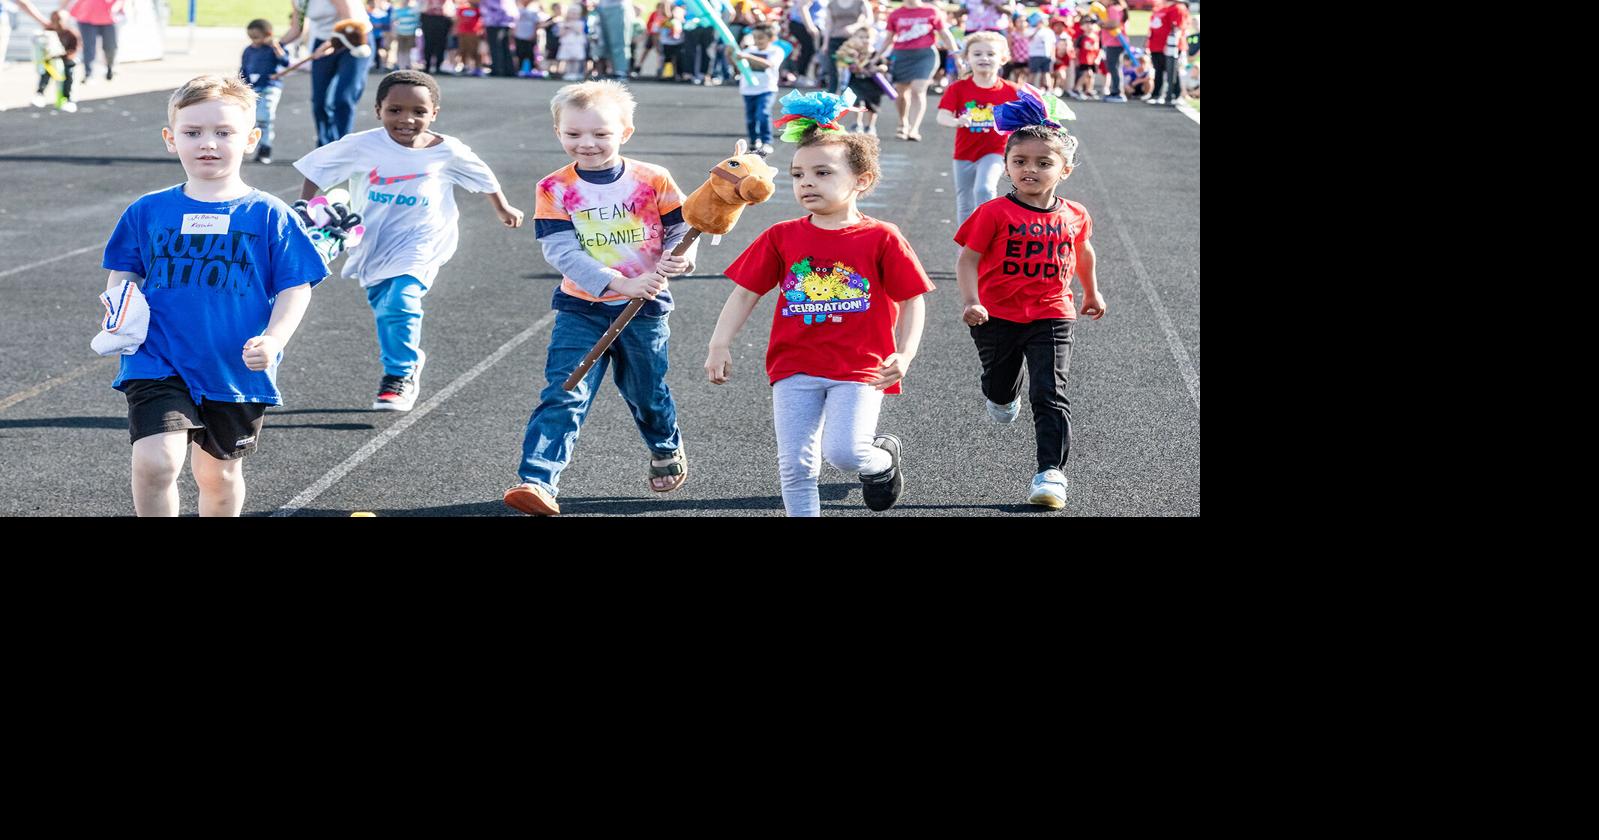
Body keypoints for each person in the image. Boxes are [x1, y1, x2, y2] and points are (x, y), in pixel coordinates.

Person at [100, 75, 327, 516]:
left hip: (233, 365)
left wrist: (275, 340)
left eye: (223, 132)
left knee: (218, 476)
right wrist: (120, 308)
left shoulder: (268, 214)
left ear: (250, 139)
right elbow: (123, 270)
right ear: (171, 139)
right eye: (193, 132)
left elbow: (295, 287)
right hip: (157, 358)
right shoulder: (148, 210)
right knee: (156, 461)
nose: (208, 143)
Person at [704, 95, 934, 517]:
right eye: (798, 174)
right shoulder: (781, 235)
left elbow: (912, 299)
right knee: (795, 466)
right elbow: (745, 293)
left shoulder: (881, 236)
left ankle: (880, 462)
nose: (806, 182)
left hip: (860, 366)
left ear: (861, 180)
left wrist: (906, 352)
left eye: (822, 173)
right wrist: (720, 344)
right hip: (793, 365)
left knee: (846, 455)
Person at [504, 81, 698, 516]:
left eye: (600, 134)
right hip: (582, 308)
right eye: (573, 134)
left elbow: (683, 228)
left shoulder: (653, 178)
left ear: (625, 132)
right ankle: (538, 480)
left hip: (644, 310)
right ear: (558, 132)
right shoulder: (554, 187)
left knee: (645, 390)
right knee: (564, 391)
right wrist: (616, 282)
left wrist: (678, 259)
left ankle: (665, 443)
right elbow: (560, 249)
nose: (587, 144)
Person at [293, 70, 524, 411]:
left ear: (434, 114)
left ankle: (398, 376)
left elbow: (483, 175)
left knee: (402, 301)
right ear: (378, 110)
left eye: (418, 111)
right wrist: (305, 208)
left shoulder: (447, 151)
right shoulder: (362, 144)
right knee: (386, 307)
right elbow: (317, 169)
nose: (406, 119)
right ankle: (408, 359)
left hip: (423, 240)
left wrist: (503, 207)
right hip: (373, 240)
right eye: (395, 110)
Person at [953, 93, 1106, 510]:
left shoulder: (1074, 213)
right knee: (999, 387)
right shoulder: (993, 213)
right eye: (1020, 161)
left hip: (1053, 313)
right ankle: (1003, 396)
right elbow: (968, 258)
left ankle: (1051, 474)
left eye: (1043, 163)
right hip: (996, 315)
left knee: (1051, 393)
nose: (1030, 169)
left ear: (1065, 170)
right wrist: (971, 300)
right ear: (1006, 166)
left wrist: (1091, 291)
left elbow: (1084, 252)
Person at [936, 31, 1019, 225]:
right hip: (964, 153)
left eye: (990, 54)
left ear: (1003, 58)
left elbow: (1027, 118)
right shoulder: (958, 88)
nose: (984, 58)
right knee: (964, 202)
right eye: (977, 54)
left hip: (995, 151)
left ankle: (987, 237)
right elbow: (942, 116)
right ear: (967, 58)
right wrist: (957, 121)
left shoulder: (1012, 90)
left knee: (984, 189)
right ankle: (966, 249)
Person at [281, 0, 375, 146]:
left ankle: (344, 144)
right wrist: (276, 45)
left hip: (354, 39)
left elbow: (350, 22)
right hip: (324, 41)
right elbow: (297, 29)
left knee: (343, 98)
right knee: (319, 102)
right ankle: (325, 145)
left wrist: (329, 44)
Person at [878, 0, 958, 142]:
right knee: (901, 92)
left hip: (925, 55)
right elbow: (888, 38)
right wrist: (876, 56)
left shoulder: (932, 11)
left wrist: (956, 55)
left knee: (918, 89)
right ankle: (903, 122)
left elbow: (944, 34)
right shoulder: (896, 14)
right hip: (901, 55)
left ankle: (914, 128)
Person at [241, 19, 291, 164]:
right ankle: (256, 145)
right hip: (253, 88)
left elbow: (285, 62)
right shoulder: (248, 50)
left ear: (267, 35)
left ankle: (265, 148)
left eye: (256, 37)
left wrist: (276, 47)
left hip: (270, 86)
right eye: (250, 37)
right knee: (252, 118)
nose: (253, 41)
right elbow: (244, 69)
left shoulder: (274, 48)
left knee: (265, 117)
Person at [739, 23, 783, 155]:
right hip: (748, 89)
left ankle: (767, 141)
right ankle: (754, 141)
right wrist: (730, 54)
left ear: (770, 38)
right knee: (751, 118)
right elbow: (737, 63)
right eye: (755, 37)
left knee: (763, 113)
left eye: (761, 38)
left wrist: (748, 57)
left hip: (766, 88)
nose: (757, 41)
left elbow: (769, 64)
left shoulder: (775, 51)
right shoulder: (748, 50)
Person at [834, 25, 886, 134]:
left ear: (873, 39)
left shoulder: (875, 54)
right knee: (857, 103)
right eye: (860, 37)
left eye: (867, 37)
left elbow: (884, 66)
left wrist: (879, 68)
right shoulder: (852, 54)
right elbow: (842, 65)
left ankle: (870, 126)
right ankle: (857, 123)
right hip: (856, 82)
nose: (863, 40)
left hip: (873, 84)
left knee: (872, 106)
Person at [32, 10, 79, 112]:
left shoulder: (71, 33)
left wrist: (62, 55)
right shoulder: (48, 31)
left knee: (68, 74)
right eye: (53, 20)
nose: (56, 22)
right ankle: (40, 93)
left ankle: (67, 98)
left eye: (59, 20)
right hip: (51, 61)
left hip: (65, 60)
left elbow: (74, 50)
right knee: (45, 72)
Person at [820, 0, 868, 94]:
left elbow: (869, 19)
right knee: (833, 70)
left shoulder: (861, 2)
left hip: (853, 42)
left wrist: (854, 26)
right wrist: (825, 43)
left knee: (853, 69)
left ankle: (852, 95)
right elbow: (829, 24)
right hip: (835, 40)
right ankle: (832, 95)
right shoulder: (832, 3)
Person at [68, 0, 119, 85]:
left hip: (108, 18)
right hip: (86, 18)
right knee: (89, 48)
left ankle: (110, 68)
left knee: (110, 47)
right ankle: (89, 74)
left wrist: (116, 8)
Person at [1098, 0, 1129, 101]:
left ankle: (1117, 92)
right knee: (1115, 67)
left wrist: (1101, 24)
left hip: (1114, 43)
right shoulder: (1119, 8)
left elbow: (1115, 24)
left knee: (1114, 67)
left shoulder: (1113, 8)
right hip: (1116, 42)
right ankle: (1116, 91)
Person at [786, 0, 821, 86]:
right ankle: (801, 76)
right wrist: (810, 27)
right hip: (802, 25)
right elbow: (803, 7)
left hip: (815, 26)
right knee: (808, 50)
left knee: (811, 51)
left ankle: (811, 77)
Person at [417, 0, 455, 74]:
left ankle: (438, 66)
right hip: (428, 19)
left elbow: (449, 9)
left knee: (441, 45)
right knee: (428, 44)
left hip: (442, 19)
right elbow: (422, 8)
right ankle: (427, 66)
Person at [481, 0, 516, 76]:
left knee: (496, 47)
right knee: (504, 47)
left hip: (495, 23)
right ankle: (508, 70)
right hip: (505, 22)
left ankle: (498, 70)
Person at [555, 2, 587, 79]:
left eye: (575, 14)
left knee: (576, 60)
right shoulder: (563, 23)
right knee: (568, 60)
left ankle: (575, 73)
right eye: (572, 13)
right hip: (567, 44)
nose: (573, 15)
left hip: (576, 44)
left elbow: (579, 31)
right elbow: (559, 34)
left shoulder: (580, 23)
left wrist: (571, 26)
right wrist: (565, 28)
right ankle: (568, 73)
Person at [513, 0, 545, 76]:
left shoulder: (534, 9)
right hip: (519, 35)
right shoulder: (516, 8)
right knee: (519, 53)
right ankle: (520, 69)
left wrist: (534, 34)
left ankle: (531, 70)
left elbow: (536, 24)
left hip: (529, 36)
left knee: (530, 53)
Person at [1072, 15, 1100, 100]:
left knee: (1091, 76)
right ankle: (1077, 89)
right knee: (1087, 74)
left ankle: (1089, 90)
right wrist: (1076, 59)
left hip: (1093, 60)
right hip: (1084, 59)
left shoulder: (1096, 37)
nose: (1089, 26)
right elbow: (1076, 50)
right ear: (1082, 27)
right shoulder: (1081, 37)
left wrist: (1097, 58)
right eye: (1086, 24)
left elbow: (1099, 49)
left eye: (1091, 24)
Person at [454, 0, 484, 75]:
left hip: (474, 33)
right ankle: (464, 67)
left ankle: (478, 68)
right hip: (463, 33)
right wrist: (456, 30)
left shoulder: (478, 10)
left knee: (474, 51)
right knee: (463, 50)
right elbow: (458, 20)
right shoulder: (461, 9)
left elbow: (482, 19)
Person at [389, 0, 421, 69]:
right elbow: (393, 21)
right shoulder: (397, 10)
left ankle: (408, 65)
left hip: (411, 33)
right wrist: (393, 32)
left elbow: (417, 22)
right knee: (401, 50)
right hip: (400, 33)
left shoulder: (414, 10)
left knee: (408, 50)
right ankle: (401, 66)